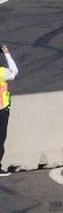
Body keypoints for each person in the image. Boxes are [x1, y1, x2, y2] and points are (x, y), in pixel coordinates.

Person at [0, 44, 18, 176]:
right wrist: (7, 54)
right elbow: (14, 71)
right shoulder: (1, 72)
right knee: (0, 138)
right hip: (1, 110)